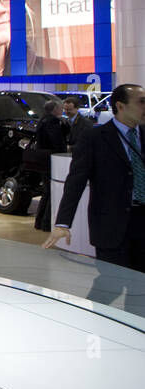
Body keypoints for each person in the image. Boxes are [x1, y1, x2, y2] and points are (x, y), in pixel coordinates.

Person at [44, 84, 145, 271]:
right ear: (121, 106)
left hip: (143, 223)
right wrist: (63, 222)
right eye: (141, 102)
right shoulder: (94, 137)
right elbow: (76, 181)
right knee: (109, 285)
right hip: (111, 226)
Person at [32, 99, 69, 231]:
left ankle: (40, 221)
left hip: (42, 160)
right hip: (50, 160)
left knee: (46, 192)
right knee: (50, 192)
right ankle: (46, 223)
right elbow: (57, 141)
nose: (62, 110)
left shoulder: (42, 120)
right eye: (60, 108)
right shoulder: (52, 121)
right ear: (55, 109)